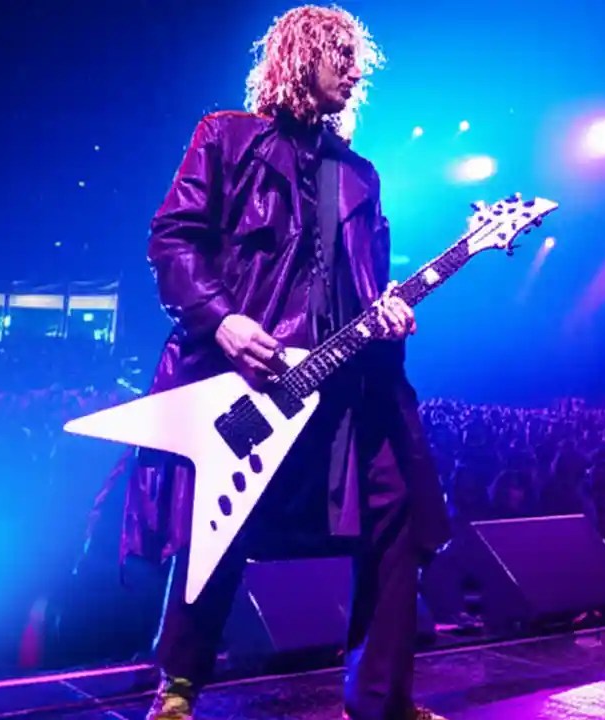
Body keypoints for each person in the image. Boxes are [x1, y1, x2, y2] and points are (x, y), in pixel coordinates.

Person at [131, 6, 450, 720]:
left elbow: (361, 284)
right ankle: (178, 686)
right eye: (340, 52)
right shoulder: (226, 137)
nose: (356, 67)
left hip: (345, 381)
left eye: (357, 56)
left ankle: (380, 701)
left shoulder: (360, 175)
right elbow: (173, 242)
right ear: (299, 56)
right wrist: (224, 318)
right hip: (243, 375)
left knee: (401, 511)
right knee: (219, 524)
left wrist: (388, 313)